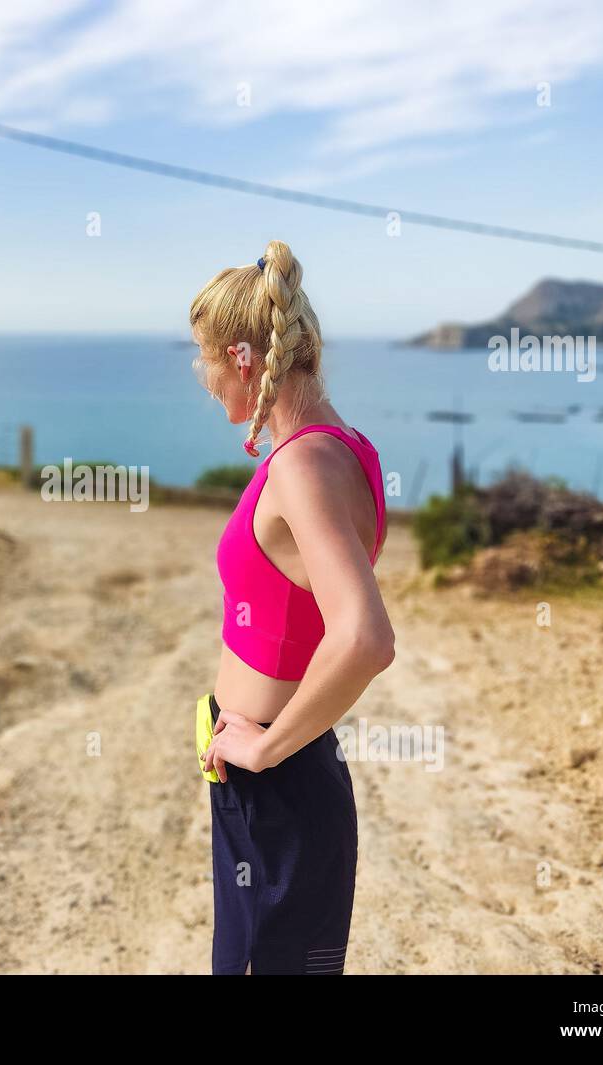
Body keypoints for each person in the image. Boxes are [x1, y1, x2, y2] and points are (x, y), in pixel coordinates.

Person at [189, 239, 395, 975]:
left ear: (242, 357)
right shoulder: (346, 447)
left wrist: (266, 749)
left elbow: (365, 637)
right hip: (275, 784)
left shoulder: (303, 463)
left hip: (278, 780)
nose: (200, 374)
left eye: (204, 355)